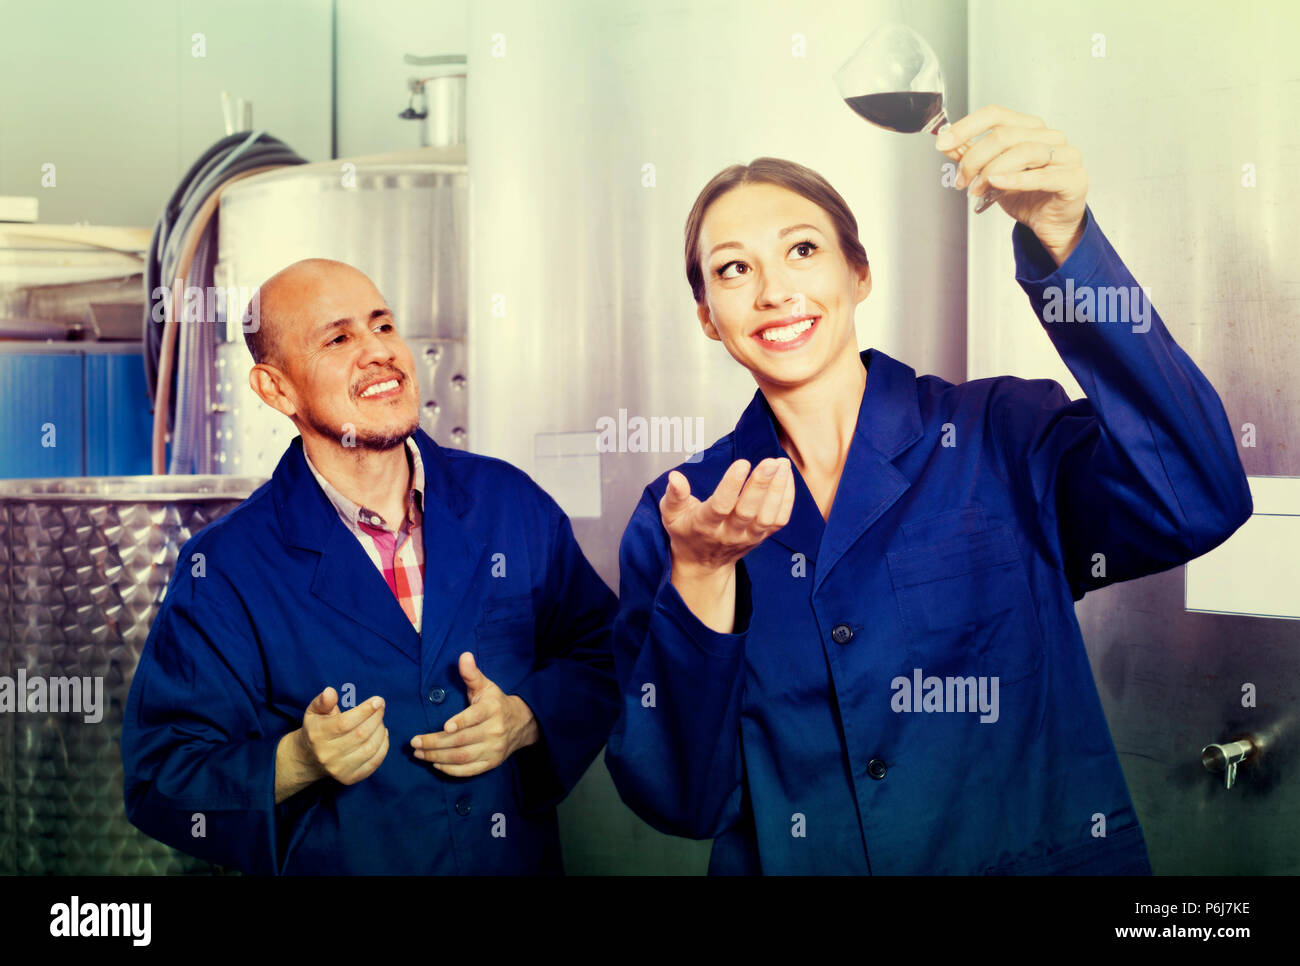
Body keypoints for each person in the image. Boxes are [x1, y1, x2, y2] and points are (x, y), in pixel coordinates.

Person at [603, 105, 1253, 875]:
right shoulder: (681, 517)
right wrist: (704, 581)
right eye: (734, 270)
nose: (774, 290)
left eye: (802, 250)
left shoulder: (1001, 434)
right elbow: (683, 800)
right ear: (709, 318)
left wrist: (1064, 240)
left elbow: (1198, 496)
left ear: (859, 271)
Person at [121, 258, 619, 874]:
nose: (378, 351)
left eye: (383, 326)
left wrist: (527, 717)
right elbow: (160, 777)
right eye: (338, 338)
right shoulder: (224, 569)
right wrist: (296, 760)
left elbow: (605, 649)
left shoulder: (508, 503)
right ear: (276, 389)